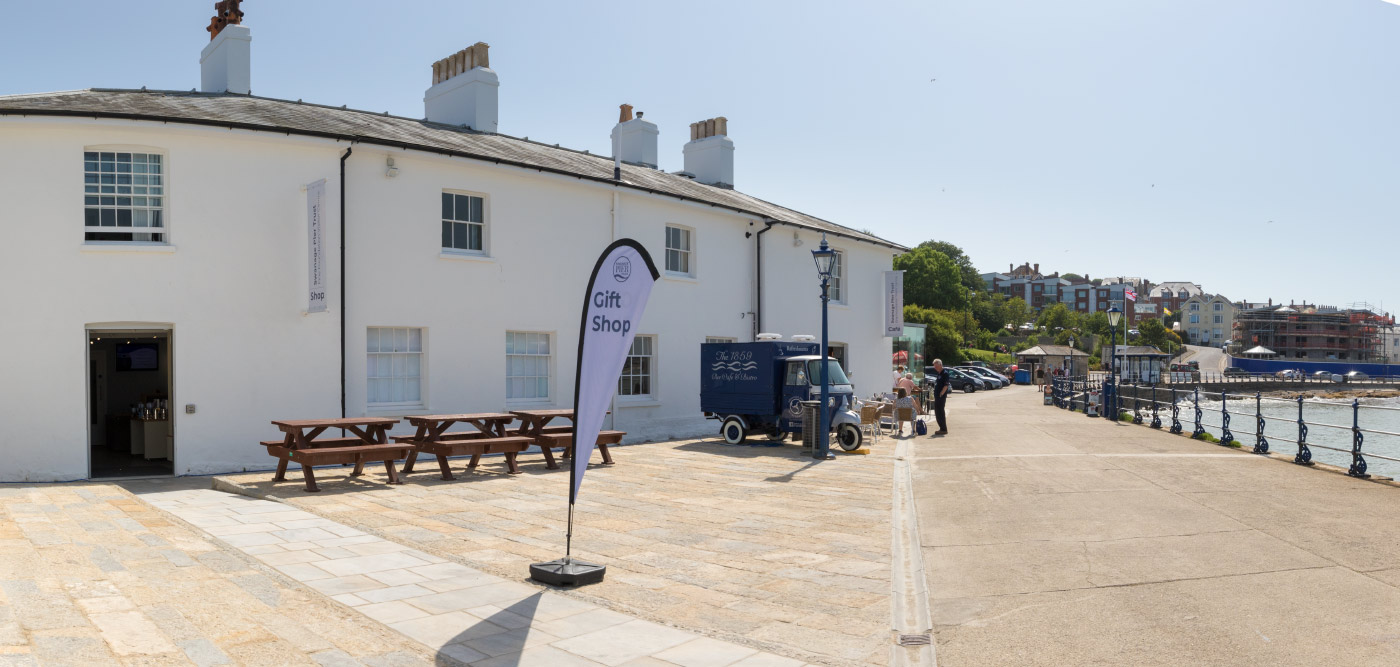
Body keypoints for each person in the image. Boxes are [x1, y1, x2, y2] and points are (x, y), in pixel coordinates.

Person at [930, 358, 950, 435]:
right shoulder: (939, 373)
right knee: (937, 412)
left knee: (940, 412)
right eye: (934, 366)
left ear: (940, 365)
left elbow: (946, 385)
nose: (935, 368)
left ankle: (943, 428)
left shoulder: (945, 373)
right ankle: (941, 428)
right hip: (937, 395)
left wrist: (941, 393)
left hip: (941, 396)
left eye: (936, 366)